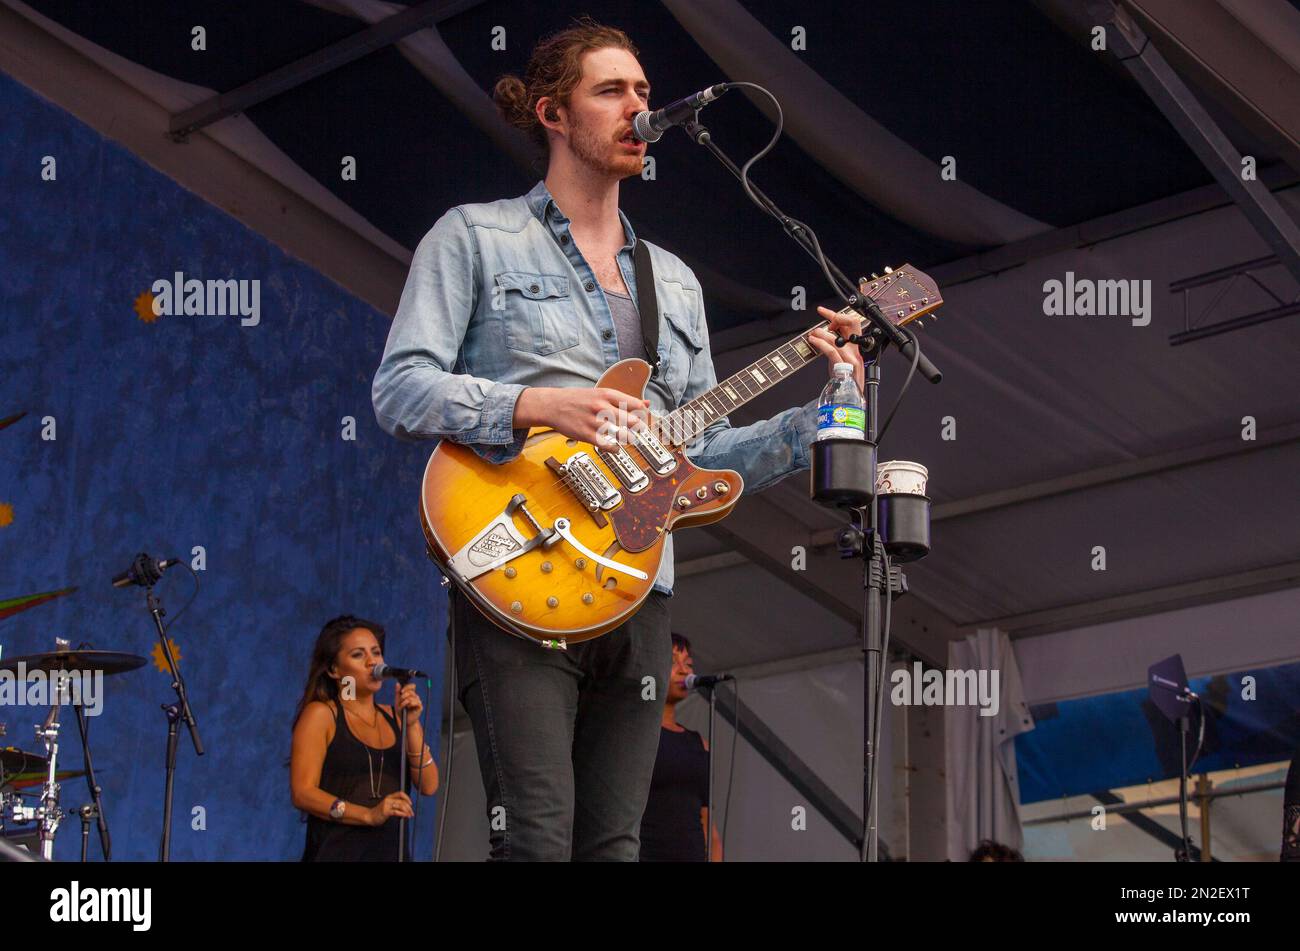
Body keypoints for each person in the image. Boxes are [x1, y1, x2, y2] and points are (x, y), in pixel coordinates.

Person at [371, 18, 864, 861]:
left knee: (616, 847)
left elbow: (700, 449)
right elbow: (401, 389)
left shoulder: (672, 278)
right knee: (533, 837)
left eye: (642, 90)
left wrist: (822, 411)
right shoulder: (476, 236)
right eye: (613, 90)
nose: (638, 105)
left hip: (640, 584)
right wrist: (540, 406)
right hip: (517, 561)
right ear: (554, 114)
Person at [290, 615, 438, 861]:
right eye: (358, 655)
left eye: (376, 652)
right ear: (334, 670)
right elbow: (302, 792)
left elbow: (429, 785)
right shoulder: (322, 715)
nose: (372, 662)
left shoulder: (397, 716)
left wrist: (412, 726)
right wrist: (368, 815)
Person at [640, 632, 722, 862]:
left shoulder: (699, 744)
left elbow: (707, 823)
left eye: (688, 664)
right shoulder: (633, 736)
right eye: (672, 662)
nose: (684, 670)